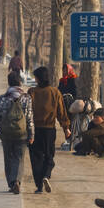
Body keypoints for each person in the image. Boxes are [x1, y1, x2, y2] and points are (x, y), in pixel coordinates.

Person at [0, 71, 34, 193]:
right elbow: (29, 118)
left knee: (8, 158)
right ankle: (17, 181)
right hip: (21, 134)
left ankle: (11, 183)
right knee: (19, 158)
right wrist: (31, 134)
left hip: (6, 134)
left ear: (9, 83)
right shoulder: (26, 98)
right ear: (19, 82)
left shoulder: (2, 99)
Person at [28, 65, 71, 193]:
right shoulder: (55, 92)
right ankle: (46, 175)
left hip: (35, 130)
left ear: (38, 78)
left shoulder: (32, 92)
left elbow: (27, 112)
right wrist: (66, 128)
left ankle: (39, 186)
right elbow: (61, 112)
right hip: (49, 130)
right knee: (49, 156)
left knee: (36, 158)